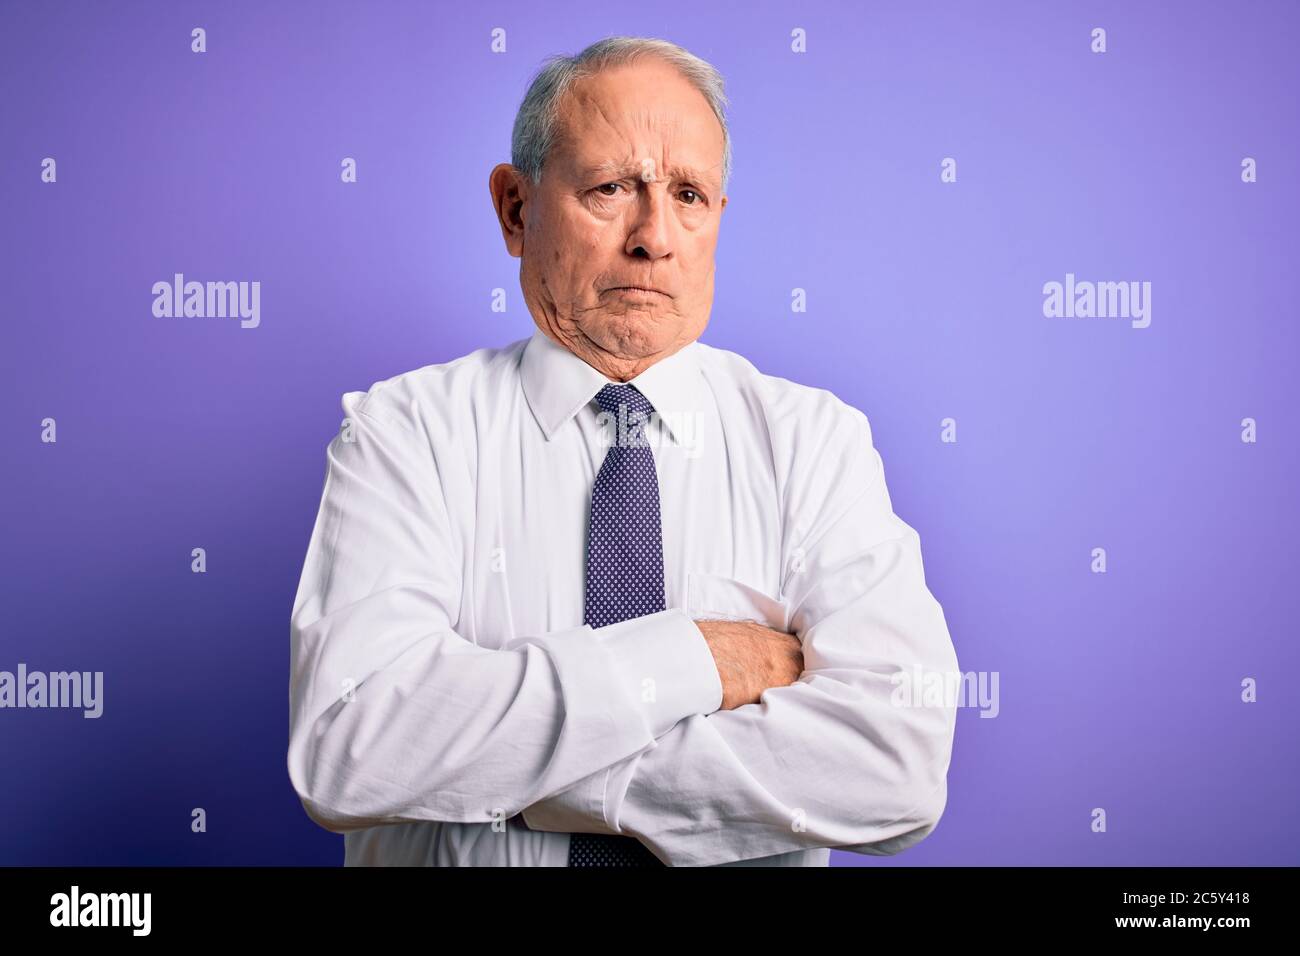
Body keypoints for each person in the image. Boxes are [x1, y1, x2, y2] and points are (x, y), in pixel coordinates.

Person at [287, 35, 960, 867]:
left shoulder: (814, 443)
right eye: (611, 189)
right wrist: (700, 660)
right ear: (514, 209)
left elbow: (895, 769)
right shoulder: (406, 431)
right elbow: (352, 745)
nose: (656, 237)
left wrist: (536, 778)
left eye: (689, 195)